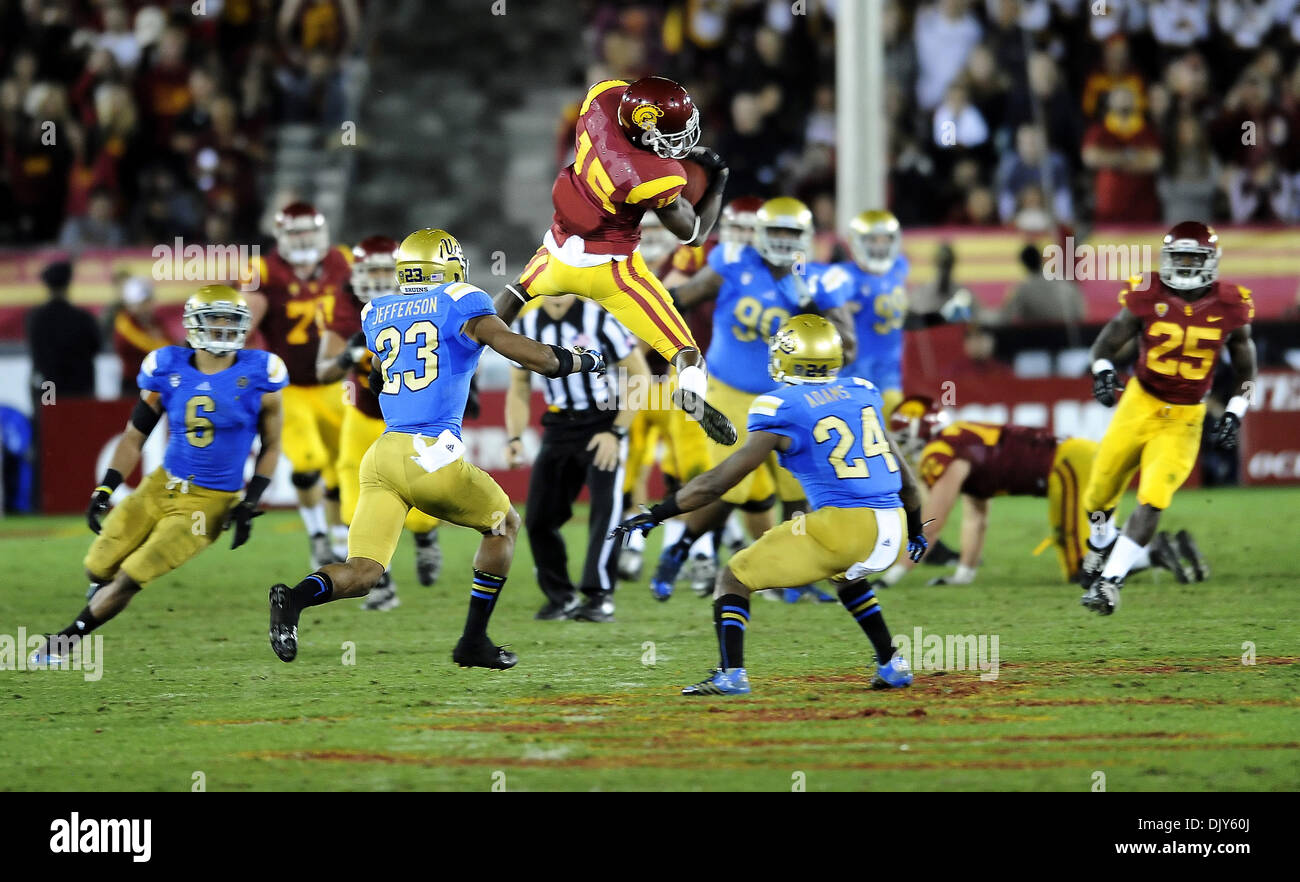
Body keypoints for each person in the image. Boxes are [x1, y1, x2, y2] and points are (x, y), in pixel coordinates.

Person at [267, 229, 607, 670]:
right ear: (448, 266)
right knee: (504, 524)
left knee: (364, 571)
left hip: (382, 455)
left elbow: (377, 378)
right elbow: (536, 358)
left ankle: (292, 599)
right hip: (429, 453)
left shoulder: (377, 311)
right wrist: (584, 359)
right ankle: (473, 640)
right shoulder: (461, 300)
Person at [612, 315, 927, 696]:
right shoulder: (862, 391)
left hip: (846, 527)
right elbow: (907, 481)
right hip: (891, 523)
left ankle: (732, 674)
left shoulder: (782, 405)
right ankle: (892, 664)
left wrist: (659, 513)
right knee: (846, 575)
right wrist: (915, 528)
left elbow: (720, 481)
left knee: (734, 576)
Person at [29, 286, 285, 666]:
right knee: (96, 566)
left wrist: (250, 501)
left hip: (208, 502)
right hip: (160, 485)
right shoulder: (167, 366)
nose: (222, 329)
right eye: (213, 320)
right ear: (193, 325)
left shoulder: (261, 374)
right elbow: (134, 437)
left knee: (133, 574)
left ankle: (69, 638)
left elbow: (272, 446)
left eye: (230, 321)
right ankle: (101, 594)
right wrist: (106, 486)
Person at [493, 76, 737, 447]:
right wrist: (717, 181)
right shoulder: (658, 176)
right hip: (613, 271)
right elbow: (694, 233)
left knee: (514, 293)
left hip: (558, 253)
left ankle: (471, 350)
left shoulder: (601, 99)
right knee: (686, 352)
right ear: (650, 135)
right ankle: (691, 391)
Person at [647, 197, 858, 603]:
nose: (781, 240)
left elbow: (847, 348)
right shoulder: (731, 262)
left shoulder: (820, 281)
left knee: (798, 487)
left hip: (789, 396)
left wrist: (809, 305)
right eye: (774, 231)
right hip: (729, 391)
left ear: (806, 238)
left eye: (790, 232)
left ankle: (798, 574)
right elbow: (680, 299)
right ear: (759, 234)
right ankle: (679, 550)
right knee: (734, 487)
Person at [1080, 222, 1255, 616]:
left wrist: (1235, 411)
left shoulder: (1230, 304)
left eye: (1195, 258)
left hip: (1184, 417)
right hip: (1139, 402)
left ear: (1211, 262)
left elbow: (1246, 371)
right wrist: (1104, 371)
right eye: (1180, 258)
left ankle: (1110, 582)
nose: (1186, 266)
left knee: (1153, 498)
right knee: (1098, 492)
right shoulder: (1148, 292)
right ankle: (1099, 545)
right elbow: (1103, 345)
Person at [880, 396, 1210, 588]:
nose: (906, 448)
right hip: (1076, 459)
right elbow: (975, 517)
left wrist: (892, 576)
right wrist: (963, 575)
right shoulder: (956, 439)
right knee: (1092, 552)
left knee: (1082, 570)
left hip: (1066, 467)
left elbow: (932, 523)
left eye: (904, 437)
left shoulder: (942, 451)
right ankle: (1160, 548)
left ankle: (1153, 552)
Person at [314, 235, 442, 611]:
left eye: (388, 269)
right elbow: (322, 371)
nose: (380, 278)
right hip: (364, 413)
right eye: (372, 270)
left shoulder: (427, 299)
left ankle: (425, 536)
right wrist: (346, 358)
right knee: (355, 498)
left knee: (424, 493)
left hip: (413, 418)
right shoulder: (346, 304)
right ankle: (380, 581)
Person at [505, 294, 649, 623]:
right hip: (558, 425)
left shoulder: (599, 319)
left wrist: (617, 432)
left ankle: (600, 596)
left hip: (602, 421)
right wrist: (514, 436)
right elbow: (520, 385)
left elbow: (639, 375)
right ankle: (561, 597)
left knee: (606, 512)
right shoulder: (527, 323)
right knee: (540, 518)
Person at [245, 200, 353, 568]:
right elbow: (245, 324)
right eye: (296, 231)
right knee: (307, 464)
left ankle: (342, 541)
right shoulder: (262, 269)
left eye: (310, 230)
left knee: (343, 463)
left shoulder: (343, 260)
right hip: (289, 385)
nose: (305, 238)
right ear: (281, 236)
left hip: (335, 381)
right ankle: (318, 535)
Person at [839, 209, 909, 417]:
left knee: (898, 425)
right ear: (857, 242)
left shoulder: (899, 267)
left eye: (884, 239)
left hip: (890, 371)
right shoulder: (844, 277)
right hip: (854, 373)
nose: (879, 246)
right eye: (872, 240)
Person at [27, 260, 101, 403]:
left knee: (50, 423)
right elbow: (96, 346)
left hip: (48, 386)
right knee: (78, 423)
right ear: (68, 285)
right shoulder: (82, 317)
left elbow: (36, 352)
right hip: (79, 387)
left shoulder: (36, 318)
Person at [109, 275, 172, 397]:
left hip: (157, 383)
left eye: (149, 301)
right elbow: (157, 348)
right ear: (131, 304)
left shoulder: (156, 322)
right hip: (134, 384)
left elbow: (168, 344)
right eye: (142, 303)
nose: (147, 307)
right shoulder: (124, 322)